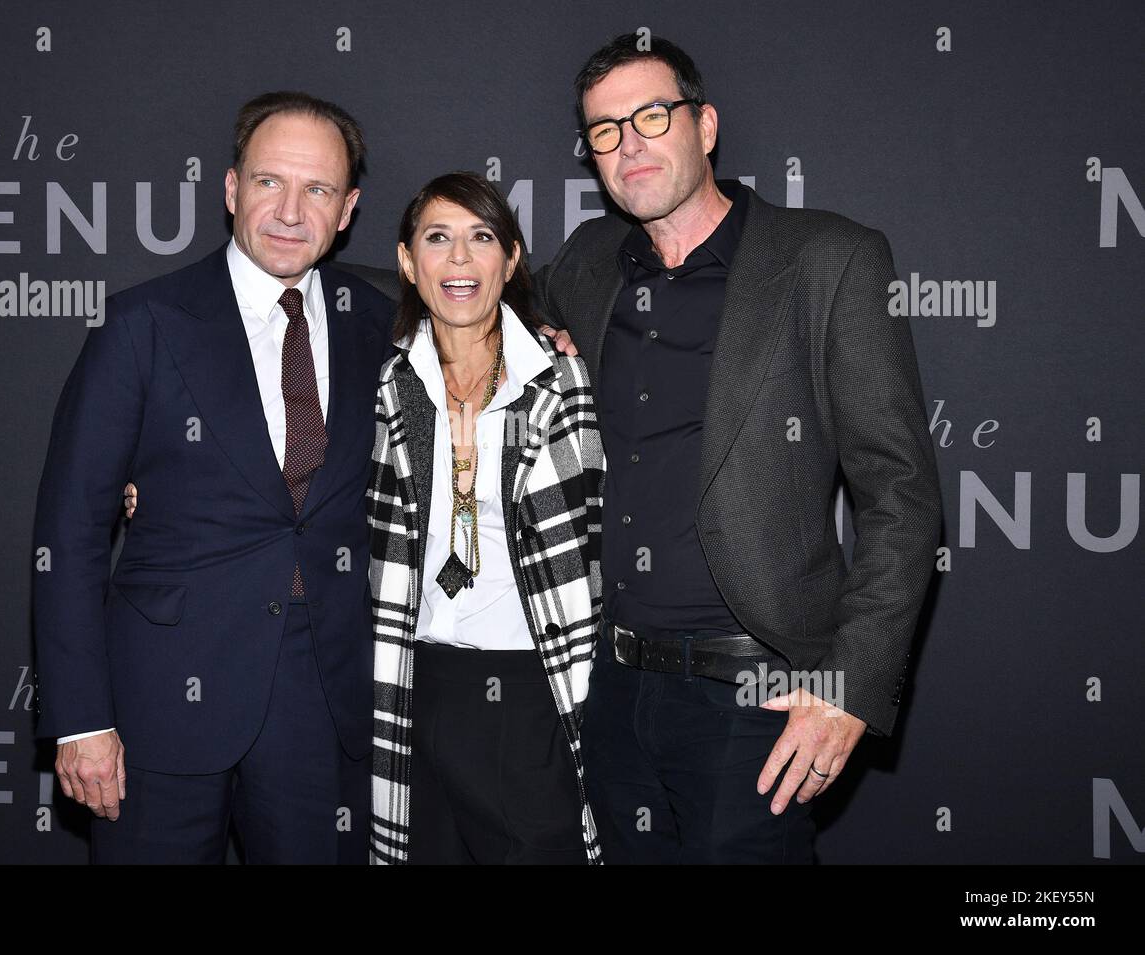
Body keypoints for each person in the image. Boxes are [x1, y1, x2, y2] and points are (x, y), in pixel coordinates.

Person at [531, 34, 944, 863]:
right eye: (604, 131)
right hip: (614, 687)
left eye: (652, 115)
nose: (629, 144)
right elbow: (473, 300)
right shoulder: (587, 265)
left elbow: (901, 494)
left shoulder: (828, 259)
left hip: (758, 695)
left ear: (706, 125)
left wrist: (849, 687)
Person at [32, 91, 395, 863]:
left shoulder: (387, 324)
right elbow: (70, 532)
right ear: (231, 189)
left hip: (323, 698)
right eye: (270, 182)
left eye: (318, 190)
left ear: (349, 207)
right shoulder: (143, 325)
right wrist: (80, 718)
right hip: (158, 699)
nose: (291, 210)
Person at [367, 172, 603, 864]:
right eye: (438, 239)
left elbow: (599, 541)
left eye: (482, 238)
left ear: (513, 258)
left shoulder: (561, 382)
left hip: (531, 690)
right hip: (417, 685)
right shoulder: (391, 387)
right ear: (409, 263)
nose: (461, 260)